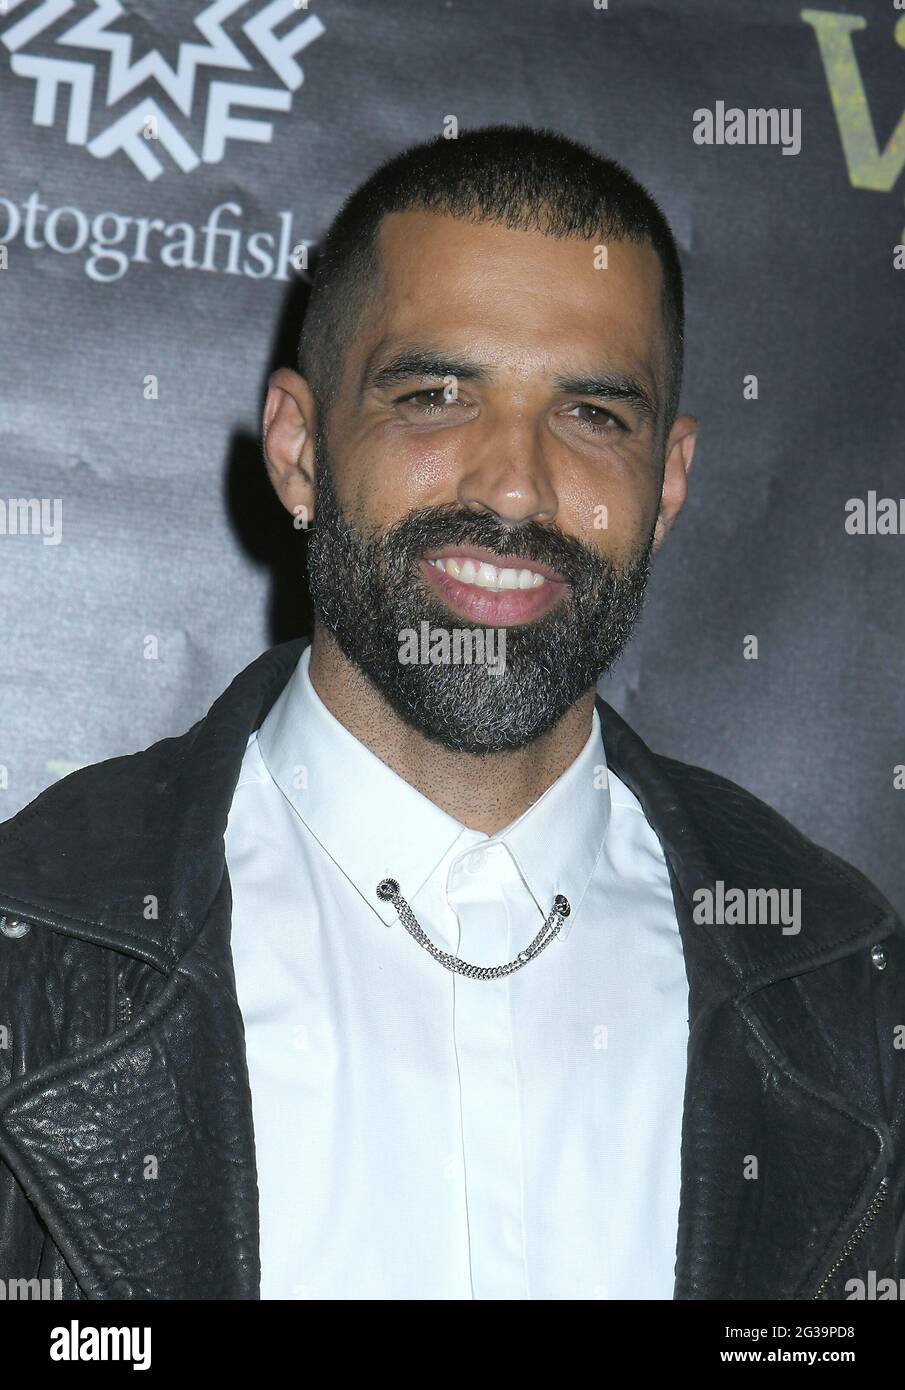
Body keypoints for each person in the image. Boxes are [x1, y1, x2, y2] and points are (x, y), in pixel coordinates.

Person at [0, 124, 901, 1302]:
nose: (514, 485)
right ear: (298, 451)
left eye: (592, 415)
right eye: (433, 396)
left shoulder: (839, 978)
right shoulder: (36, 948)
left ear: (667, 481)